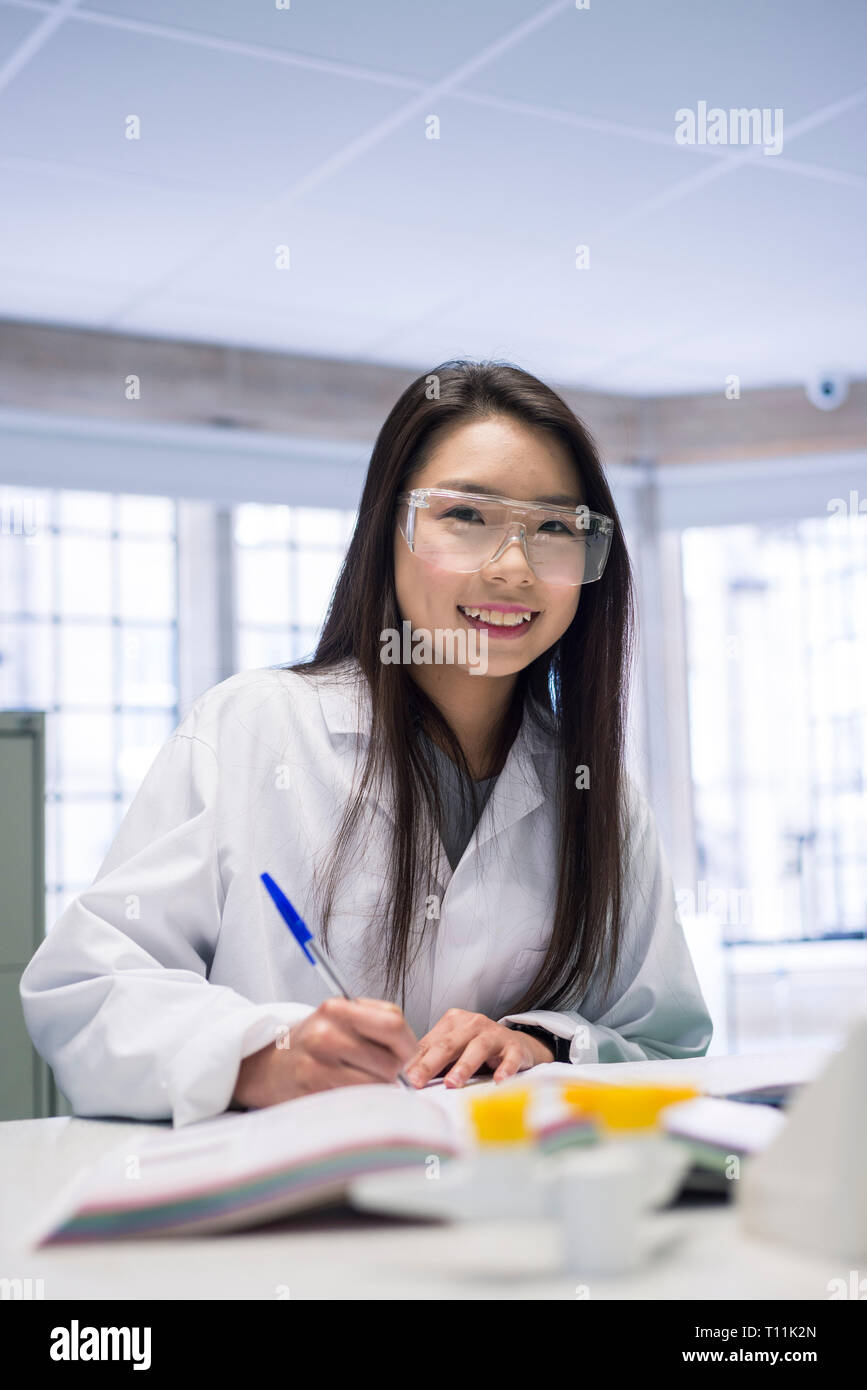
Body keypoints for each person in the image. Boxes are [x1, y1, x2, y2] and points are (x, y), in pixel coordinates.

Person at [20, 359, 712, 1128]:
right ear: (389, 528)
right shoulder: (254, 729)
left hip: (510, 1223)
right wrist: (262, 1055)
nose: (513, 567)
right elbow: (87, 989)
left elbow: (671, 1047)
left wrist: (545, 1047)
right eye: (466, 517)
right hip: (283, 1213)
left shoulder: (596, 793)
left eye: (553, 527)